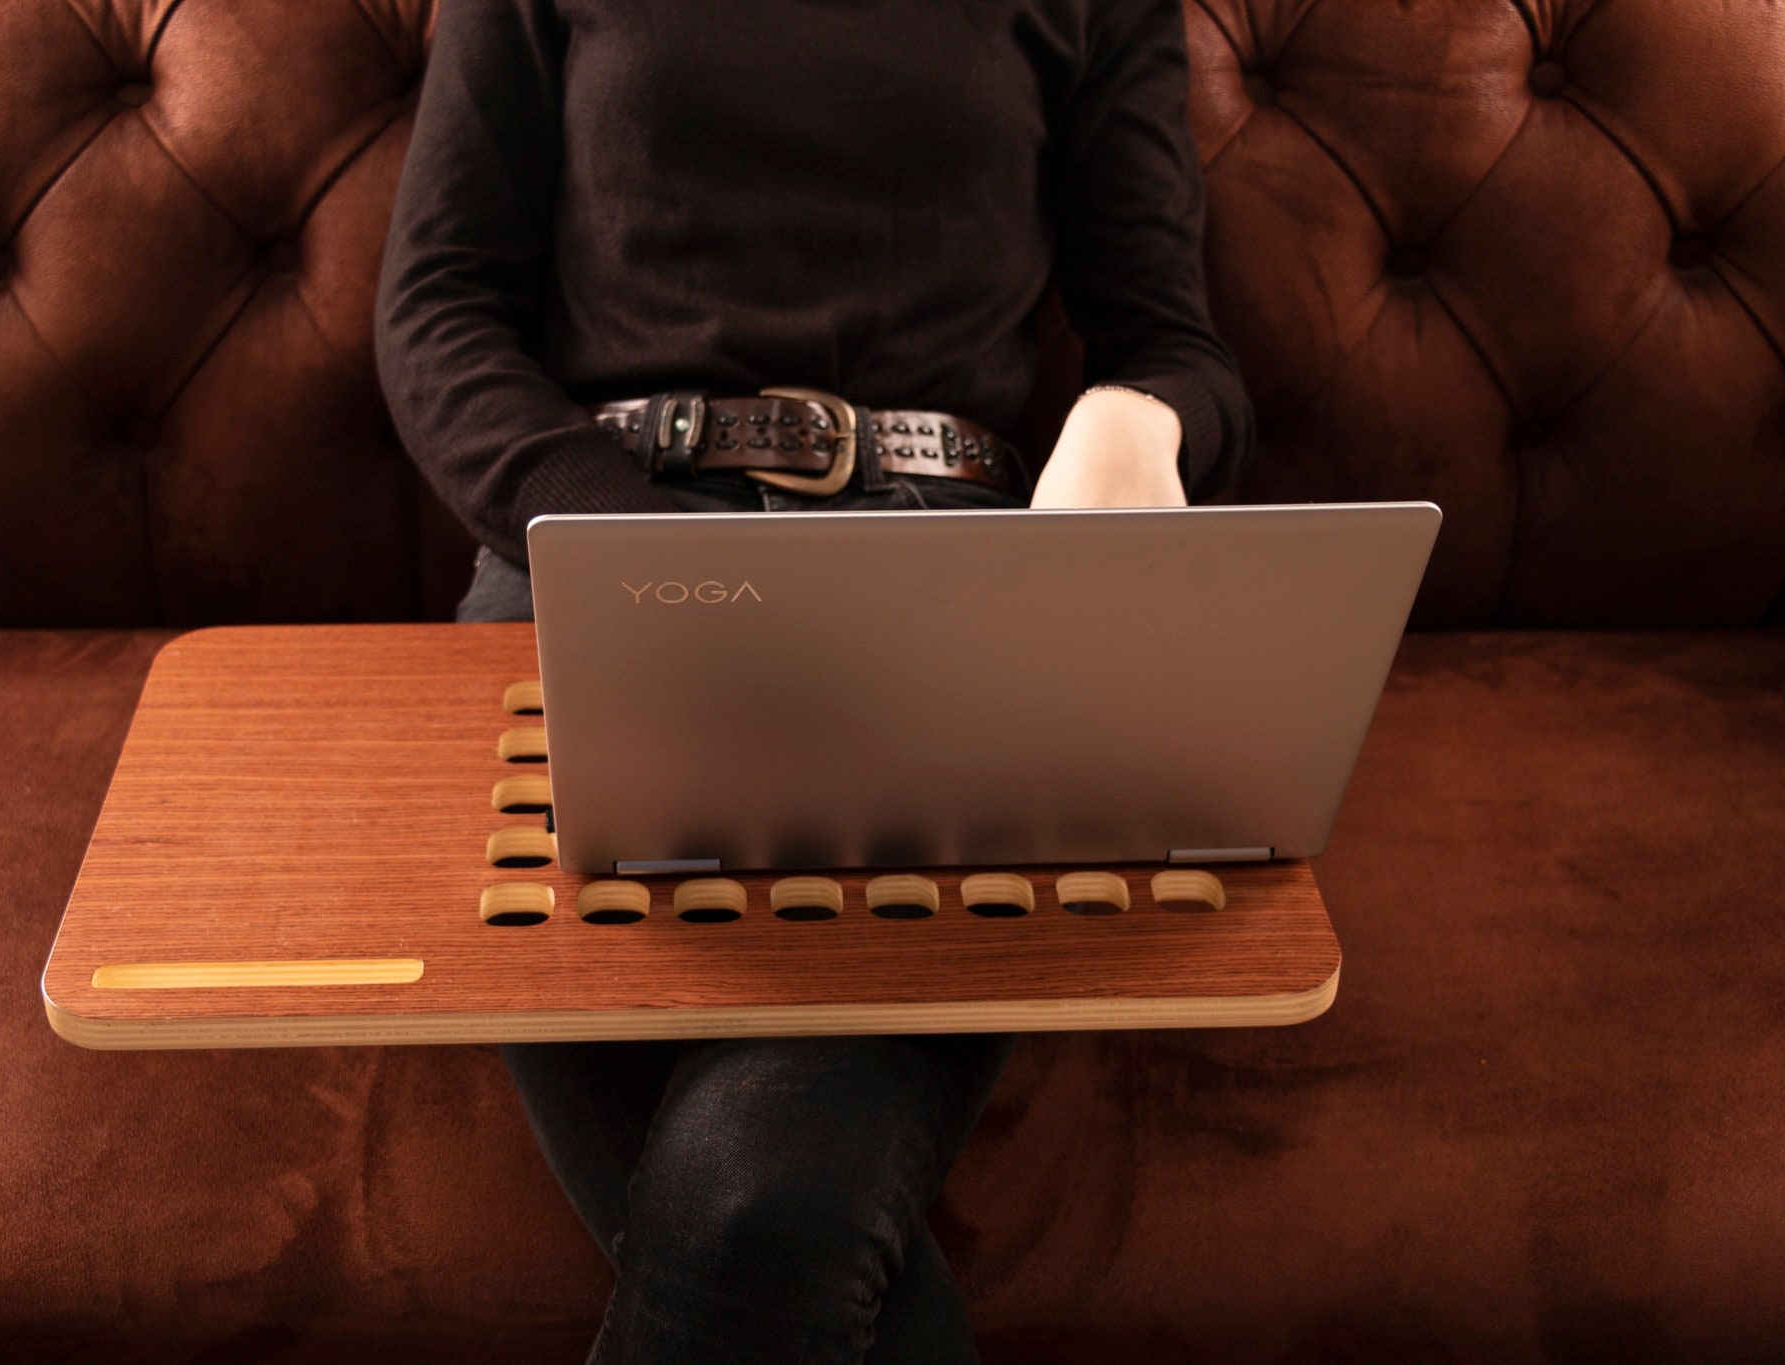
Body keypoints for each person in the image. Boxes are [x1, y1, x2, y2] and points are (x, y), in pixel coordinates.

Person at [374, 0, 1253, 1358]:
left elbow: (1174, 349)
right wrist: (644, 564)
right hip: (590, 565)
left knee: (755, 1205)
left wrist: (1142, 423)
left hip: (939, 589)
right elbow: (434, 311)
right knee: (758, 1223)